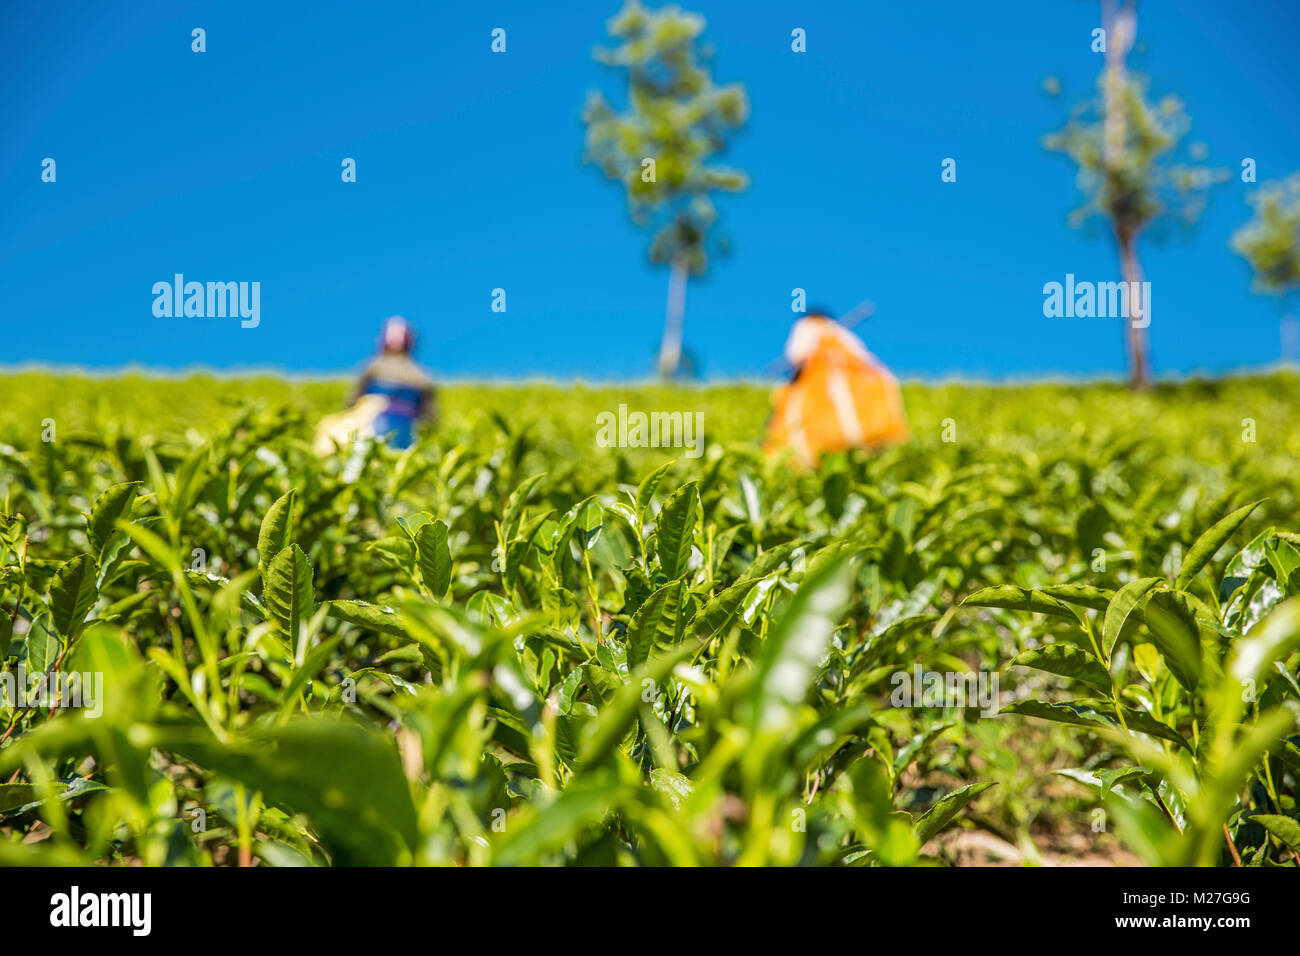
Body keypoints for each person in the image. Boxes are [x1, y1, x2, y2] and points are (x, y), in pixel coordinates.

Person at [765, 306, 910, 467]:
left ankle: (814, 462)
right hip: (847, 379)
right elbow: (866, 359)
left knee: (805, 423)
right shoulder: (840, 333)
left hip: (818, 380)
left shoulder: (805, 327)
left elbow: (797, 355)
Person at [314, 316, 437, 454]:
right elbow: (431, 416)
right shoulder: (419, 374)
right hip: (389, 424)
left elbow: (352, 401)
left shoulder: (375, 368)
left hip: (384, 424)